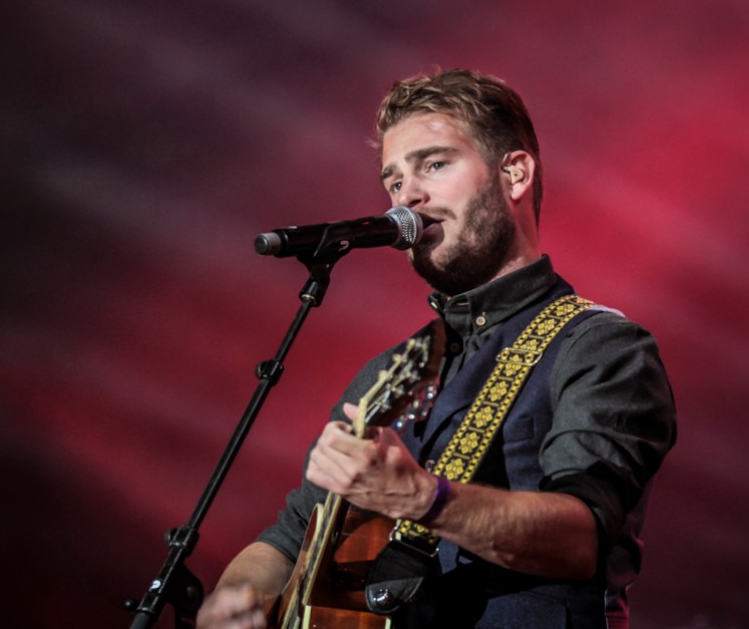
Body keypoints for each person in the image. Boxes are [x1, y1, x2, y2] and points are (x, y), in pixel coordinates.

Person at [196, 69, 677, 628]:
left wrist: (423, 499)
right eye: (394, 181)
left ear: (515, 174)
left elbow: (582, 537)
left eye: (434, 164)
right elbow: (287, 536)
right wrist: (236, 599)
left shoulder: (600, 347)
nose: (408, 196)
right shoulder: (390, 373)